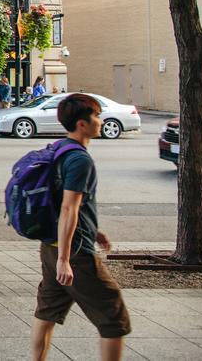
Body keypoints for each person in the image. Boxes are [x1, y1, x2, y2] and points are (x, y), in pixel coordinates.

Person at [30, 93, 130, 361]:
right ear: (82, 124)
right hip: (74, 254)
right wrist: (66, 260)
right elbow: (68, 208)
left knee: (47, 313)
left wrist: (93, 230)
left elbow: (64, 202)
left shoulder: (59, 149)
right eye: (96, 116)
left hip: (50, 246)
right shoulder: (80, 160)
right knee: (113, 316)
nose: (100, 120)